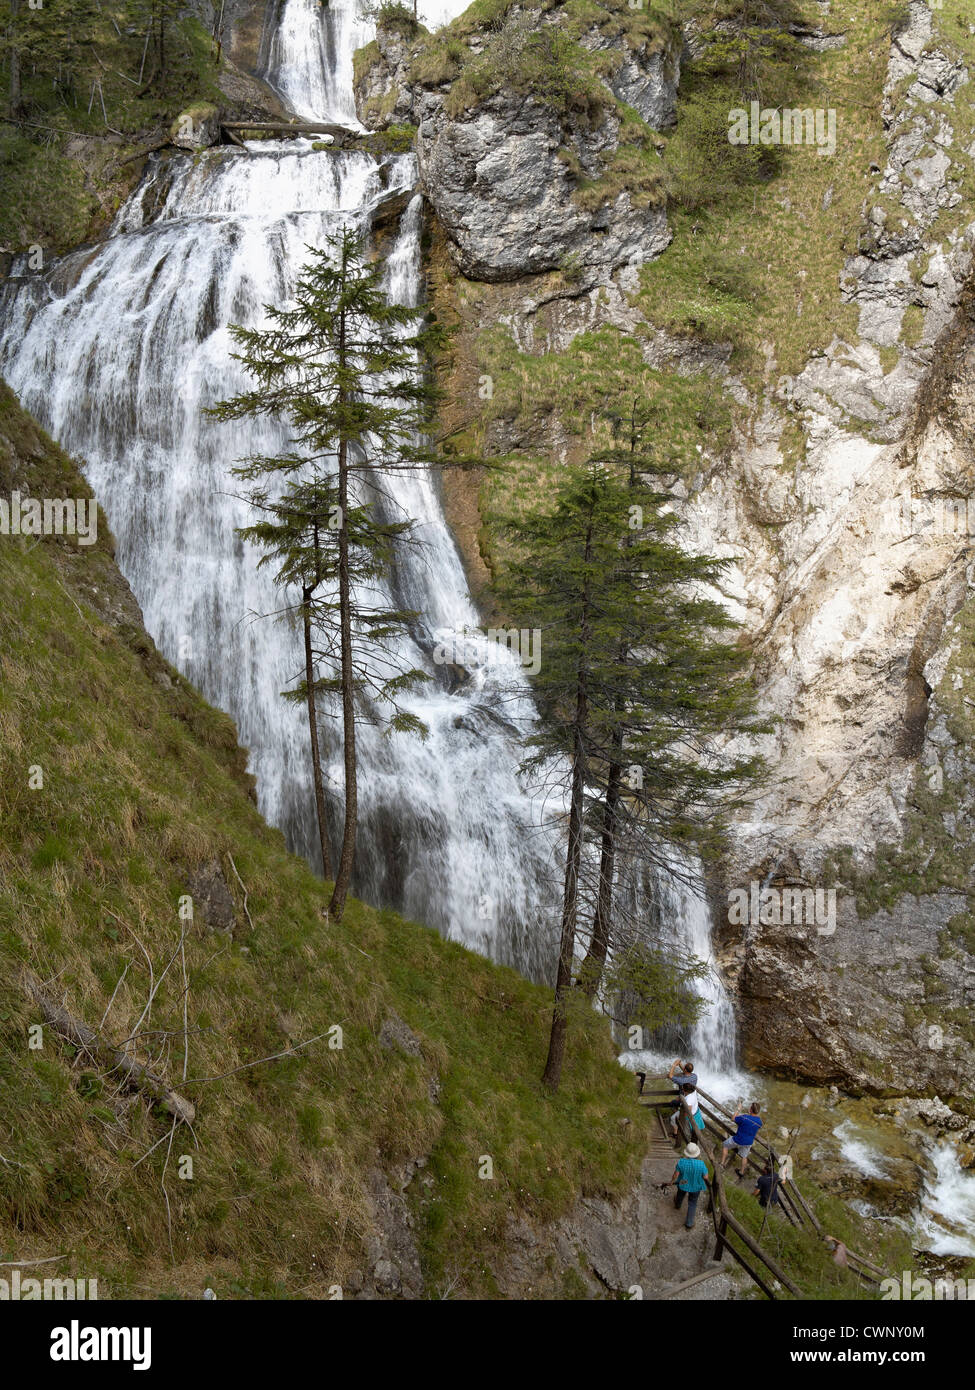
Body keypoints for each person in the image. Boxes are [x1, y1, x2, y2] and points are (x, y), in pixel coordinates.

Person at [670, 1142, 709, 1230]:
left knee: (680, 1195)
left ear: (686, 1153)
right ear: (697, 1153)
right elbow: (705, 1177)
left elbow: (676, 1175)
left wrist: (672, 1181)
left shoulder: (681, 1162)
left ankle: (677, 1205)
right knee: (692, 1203)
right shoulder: (701, 1164)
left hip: (683, 1184)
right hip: (696, 1186)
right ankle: (689, 1223)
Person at [720, 1102, 763, 1177]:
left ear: (750, 1110)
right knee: (744, 1156)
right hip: (748, 1142)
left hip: (738, 1139)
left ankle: (722, 1164)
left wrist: (738, 1108)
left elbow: (733, 1118)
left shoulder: (744, 1117)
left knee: (725, 1145)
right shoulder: (759, 1122)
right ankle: (741, 1172)